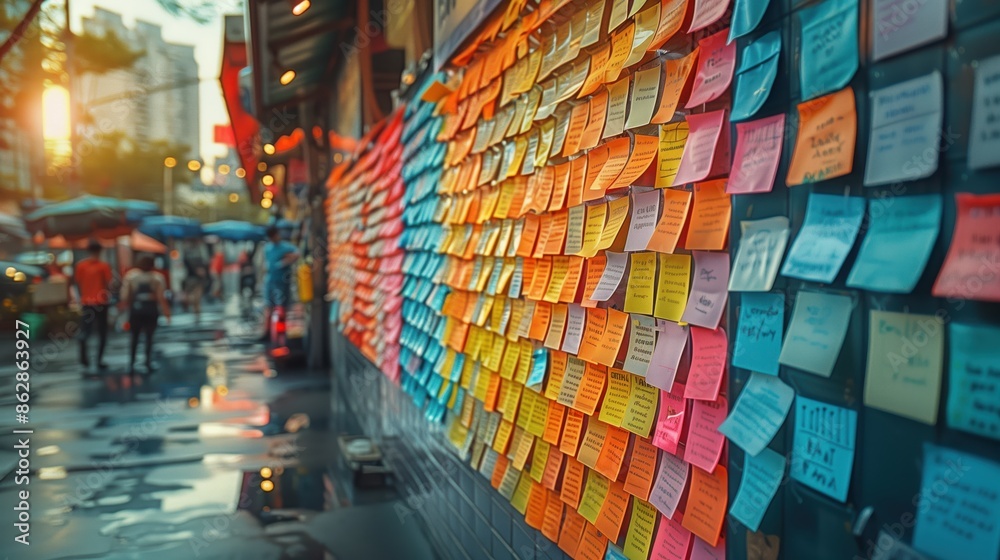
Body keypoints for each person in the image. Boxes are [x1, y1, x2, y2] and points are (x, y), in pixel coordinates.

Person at [121, 255, 170, 375]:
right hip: (151, 310)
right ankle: (147, 362)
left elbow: (125, 296)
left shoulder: (131, 276)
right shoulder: (157, 278)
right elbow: (161, 298)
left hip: (136, 310)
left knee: (134, 337)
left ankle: (131, 363)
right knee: (149, 337)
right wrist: (167, 313)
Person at [74, 240, 113, 371]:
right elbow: (109, 284)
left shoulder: (81, 266)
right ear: (100, 251)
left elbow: (78, 282)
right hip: (101, 303)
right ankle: (99, 360)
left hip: (87, 302)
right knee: (102, 332)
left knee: (86, 330)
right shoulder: (103, 266)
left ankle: (84, 359)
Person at [261, 226, 298, 339]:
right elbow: (265, 263)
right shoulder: (267, 248)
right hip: (270, 281)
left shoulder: (286, 247)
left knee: (281, 307)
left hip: (282, 281)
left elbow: (297, 254)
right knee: (268, 307)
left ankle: (282, 332)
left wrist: (286, 261)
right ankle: (266, 332)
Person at [183, 247, 209, 323]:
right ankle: (196, 312)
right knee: (195, 297)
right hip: (193, 279)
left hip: (194, 279)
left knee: (196, 297)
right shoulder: (197, 255)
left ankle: (197, 312)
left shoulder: (193, 254)